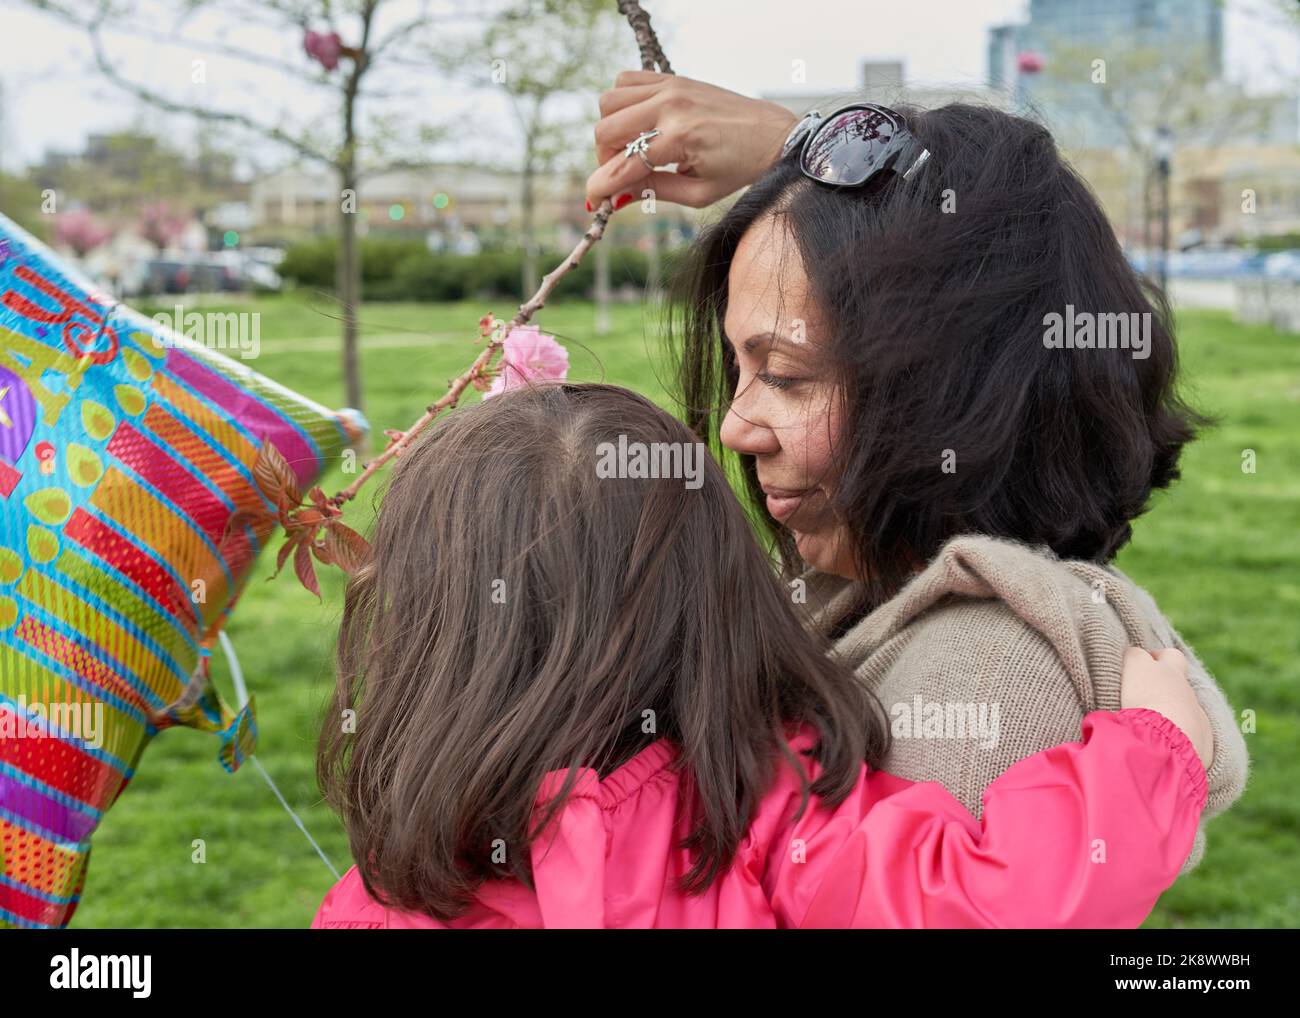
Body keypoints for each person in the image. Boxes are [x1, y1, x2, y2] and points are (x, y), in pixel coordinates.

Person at [584, 73, 1248, 870]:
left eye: (788, 376)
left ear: (956, 390)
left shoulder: (980, 680)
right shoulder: (880, 586)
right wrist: (802, 151)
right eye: (739, 369)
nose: (732, 425)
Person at [313, 383, 1210, 929]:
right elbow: (1004, 905)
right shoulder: (776, 810)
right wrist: (1151, 749)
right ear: (719, 593)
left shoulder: (385, 899)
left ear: (427, 637)